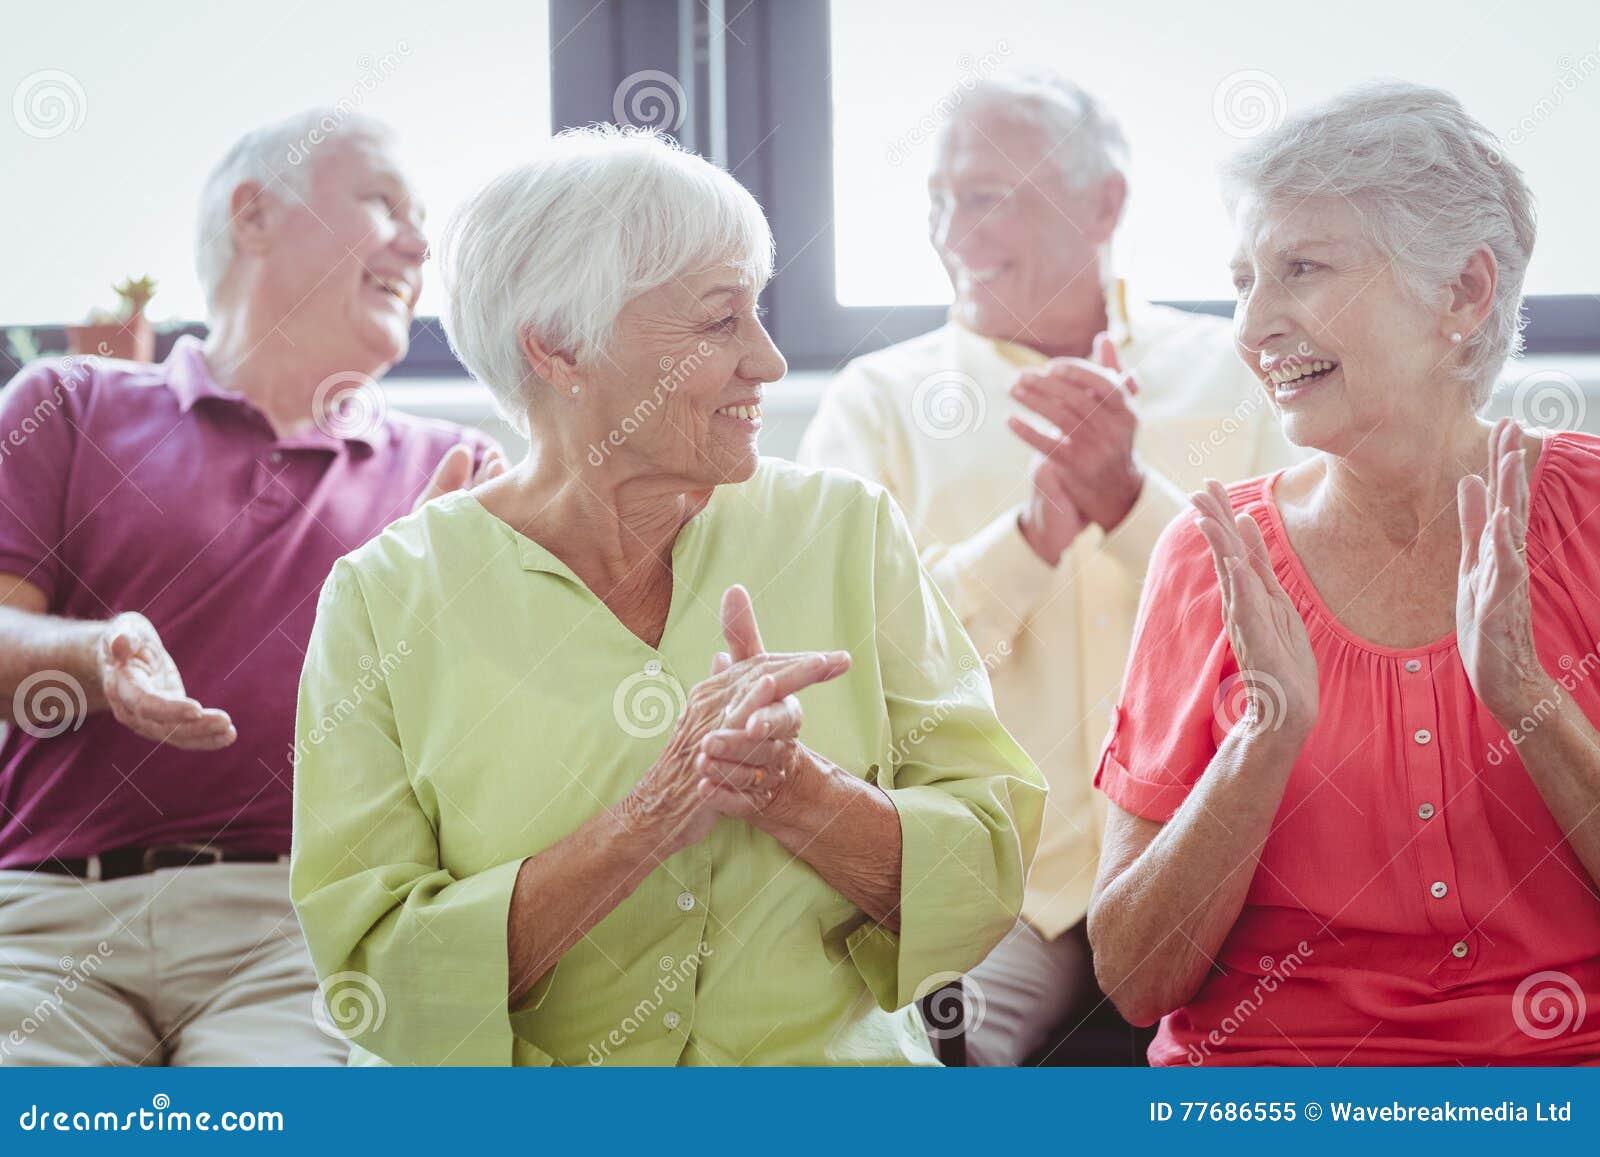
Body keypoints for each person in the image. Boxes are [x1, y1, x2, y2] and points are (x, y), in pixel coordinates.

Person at [290, 125, 1046, 1067]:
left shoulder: (844, 529)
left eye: (759, 313)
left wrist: (799, 794)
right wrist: (650, 817)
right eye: (718, 321)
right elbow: (376, 980)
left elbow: (987, 869)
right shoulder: (384, 599)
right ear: (560, 347)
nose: (768, 361)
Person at [1090, 82, 1600, 1065]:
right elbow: (1134, 978)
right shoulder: (1210, 556)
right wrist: (1262, 739)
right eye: (1243, 279)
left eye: (1303, 268)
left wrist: (1526, 698)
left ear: (1463, 292)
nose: (1253, 326)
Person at [797, 69, 1297, 1064]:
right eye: (938, 200)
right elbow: (842, 665)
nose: (951, 230)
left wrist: (1127, 502)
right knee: (924, 1070)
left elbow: (1300, 619)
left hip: (1211, 867)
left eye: (985, 195)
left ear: (1104, 202)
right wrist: (1028, 540)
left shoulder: (1240, 373)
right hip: (980, 886)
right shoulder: (877, 402)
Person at [0, 109, 503, 1067]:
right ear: (254, 214)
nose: (420, 242)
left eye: (422, 217)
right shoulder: (67, 405)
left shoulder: (460, 471)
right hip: (47, 918)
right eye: (384, 202)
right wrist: (93, 656)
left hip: (301, 926)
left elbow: (493, 749)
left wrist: (436, 616)